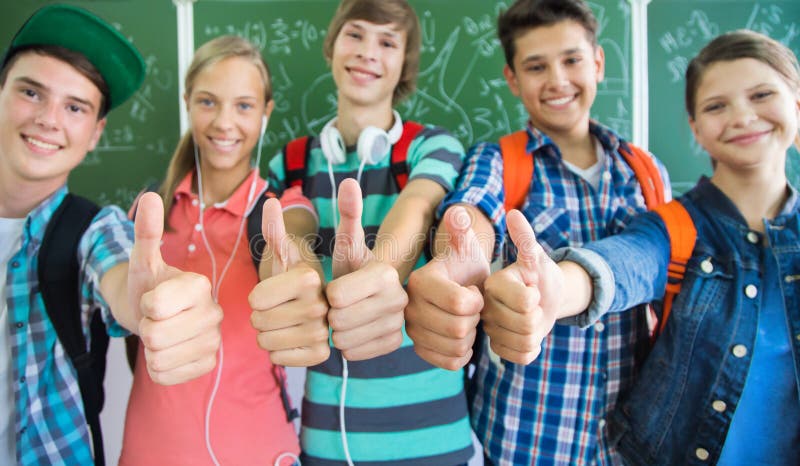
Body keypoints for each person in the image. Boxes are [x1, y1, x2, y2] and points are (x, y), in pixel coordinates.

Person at [505, 29, 800, 465]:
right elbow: (623, 261)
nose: (741, 116)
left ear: (796, 104)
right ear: (695, 128)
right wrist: (558, 287)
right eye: (717, 105)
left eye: (761, 95)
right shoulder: (675, 225)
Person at [404, 0, 672, 465]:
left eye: (571, 60)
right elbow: (470, 214)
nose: (557, 80)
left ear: (598, 62)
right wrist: (458, 257)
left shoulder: (645, 170)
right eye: (535, 66)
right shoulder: (499, 160)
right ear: (512, 79)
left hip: (627, 442)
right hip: (524, 439)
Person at [250, 0, 473, 464]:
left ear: (403, 65)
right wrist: (290, 275)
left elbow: (416, 206)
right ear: (332, 47)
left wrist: (380, 278)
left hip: (433, 438)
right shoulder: (291, 161)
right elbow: (287, 233)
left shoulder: (431, 145)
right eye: (355, 34)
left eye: (387, 41)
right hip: (326, 439)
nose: (369, 51)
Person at [0, 5, 222, 465]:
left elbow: (121, 276)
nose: (48, 119)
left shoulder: (93, 231)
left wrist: (148, 305)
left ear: (96, 132)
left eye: (75, 107)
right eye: (31, 92)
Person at [119, 35, 320, 466]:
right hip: (149, 449)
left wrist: (295, 269)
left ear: (266, 113)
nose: (225, 123)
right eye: (208, 102)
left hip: (258, 448)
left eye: (244, 106)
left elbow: (293, 238)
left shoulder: (281, 207)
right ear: (188, 101)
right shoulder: (149, 213)